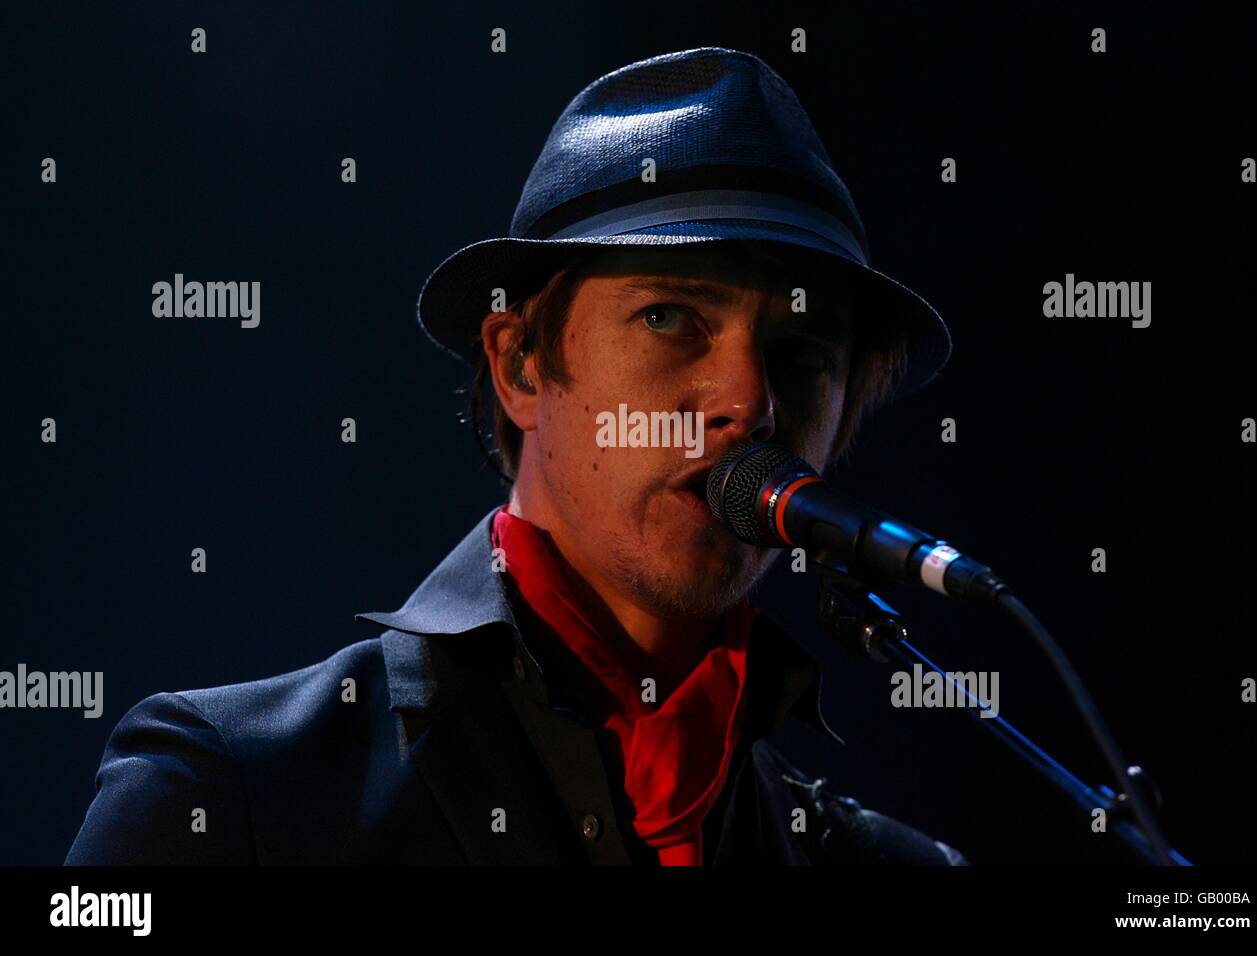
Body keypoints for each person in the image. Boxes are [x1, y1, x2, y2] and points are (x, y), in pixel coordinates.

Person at [65, 47, 964, 866]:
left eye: (804, 354)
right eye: (670, 317)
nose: (747, 401)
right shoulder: (230, 791)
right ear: (521, 364)